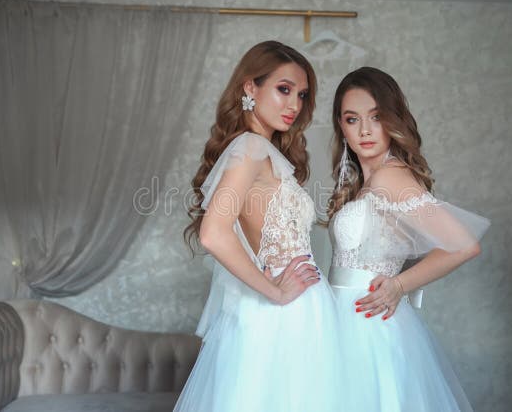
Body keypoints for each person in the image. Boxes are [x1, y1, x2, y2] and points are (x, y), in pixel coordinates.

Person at [175, 41, 344, 412]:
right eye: (283, 89)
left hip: (295, 308)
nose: (295, 105)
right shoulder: (250, 148)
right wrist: (273, 289)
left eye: (301, 95)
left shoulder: (262, 151)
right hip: (283, 311)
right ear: (250, 88)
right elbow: (213, 233)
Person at [327, 67, 491, 412]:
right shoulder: (365, 182)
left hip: (366, 323)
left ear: (392, 119)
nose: (366, 130)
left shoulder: (391, 177)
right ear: (341, 127)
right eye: (352, 119)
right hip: (341, 320)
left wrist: (399, 285)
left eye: (376, 117)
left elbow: (465, 245)